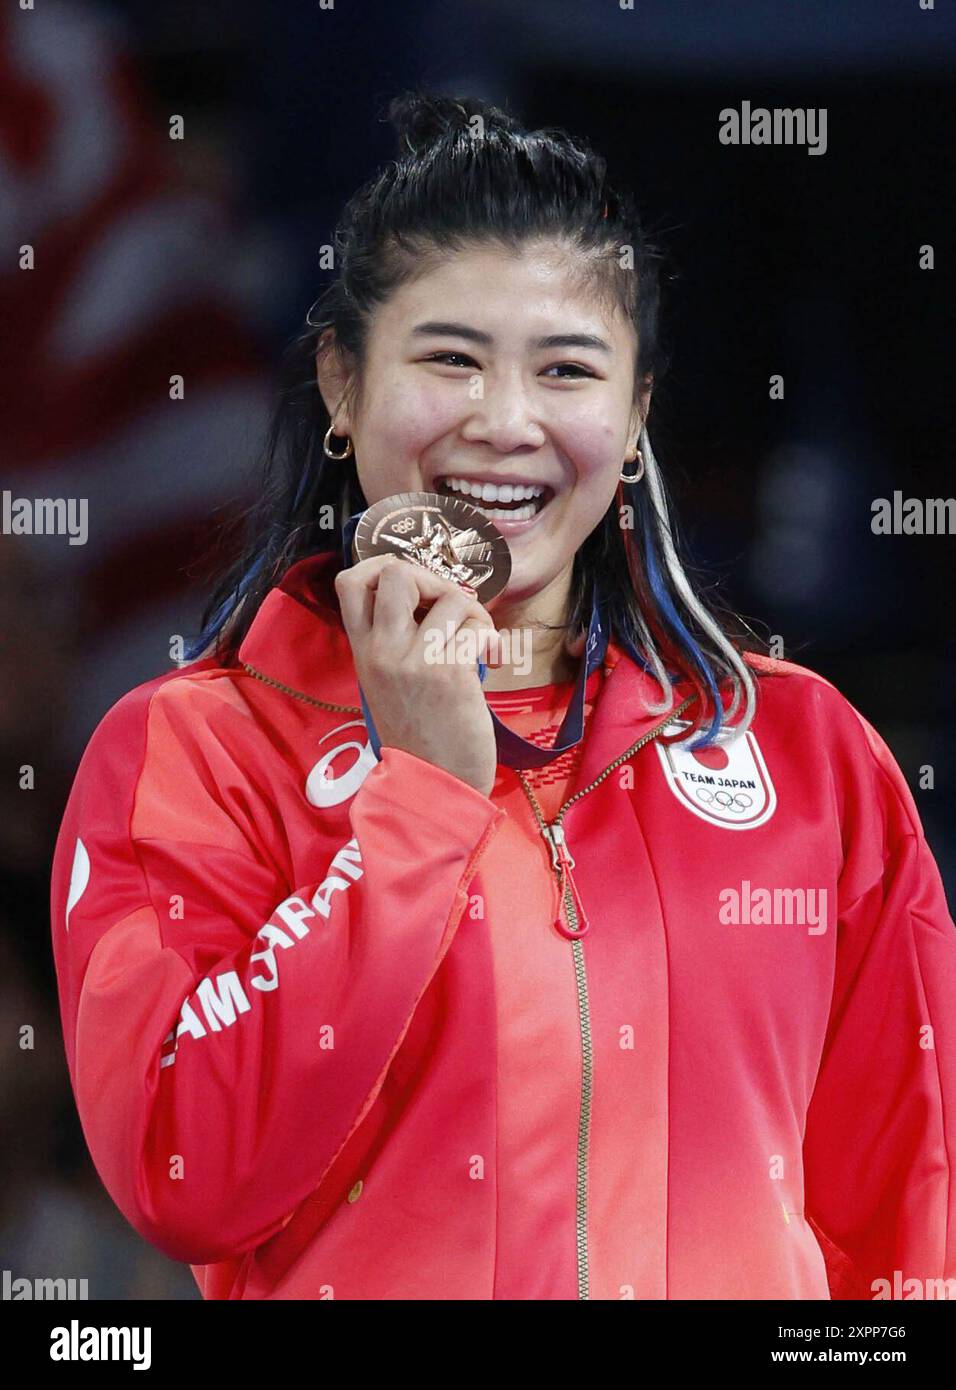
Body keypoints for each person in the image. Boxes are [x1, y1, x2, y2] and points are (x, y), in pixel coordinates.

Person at [49, 92, 956, 1302]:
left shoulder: (802, 750)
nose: (505, 423)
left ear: (633, 418)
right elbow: (184, 1173)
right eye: (449, 359)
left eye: (567, 369)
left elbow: (905, 1229)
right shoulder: (195, 749)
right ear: (339, 385)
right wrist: (418, 794)